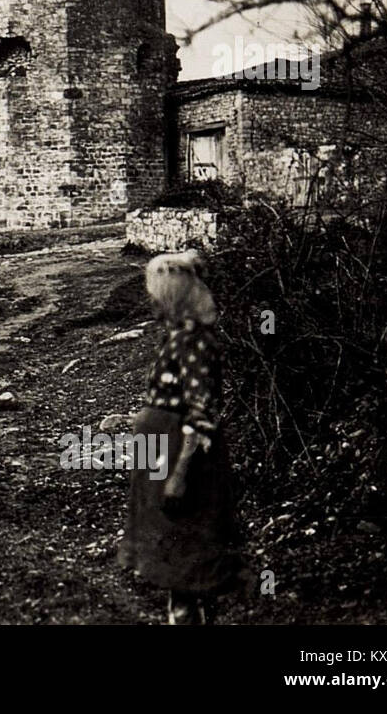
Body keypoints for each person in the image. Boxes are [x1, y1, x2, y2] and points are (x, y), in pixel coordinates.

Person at [117, 249, 243, 624]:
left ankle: (189, 616)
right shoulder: (179, 336)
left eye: (158, 292)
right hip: (159, 450)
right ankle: (183, 611)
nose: (153, 299)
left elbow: (201, 411)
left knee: (188, 543)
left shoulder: (194, 342)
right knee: (174, 547)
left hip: (176, 451)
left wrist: (179, 474)